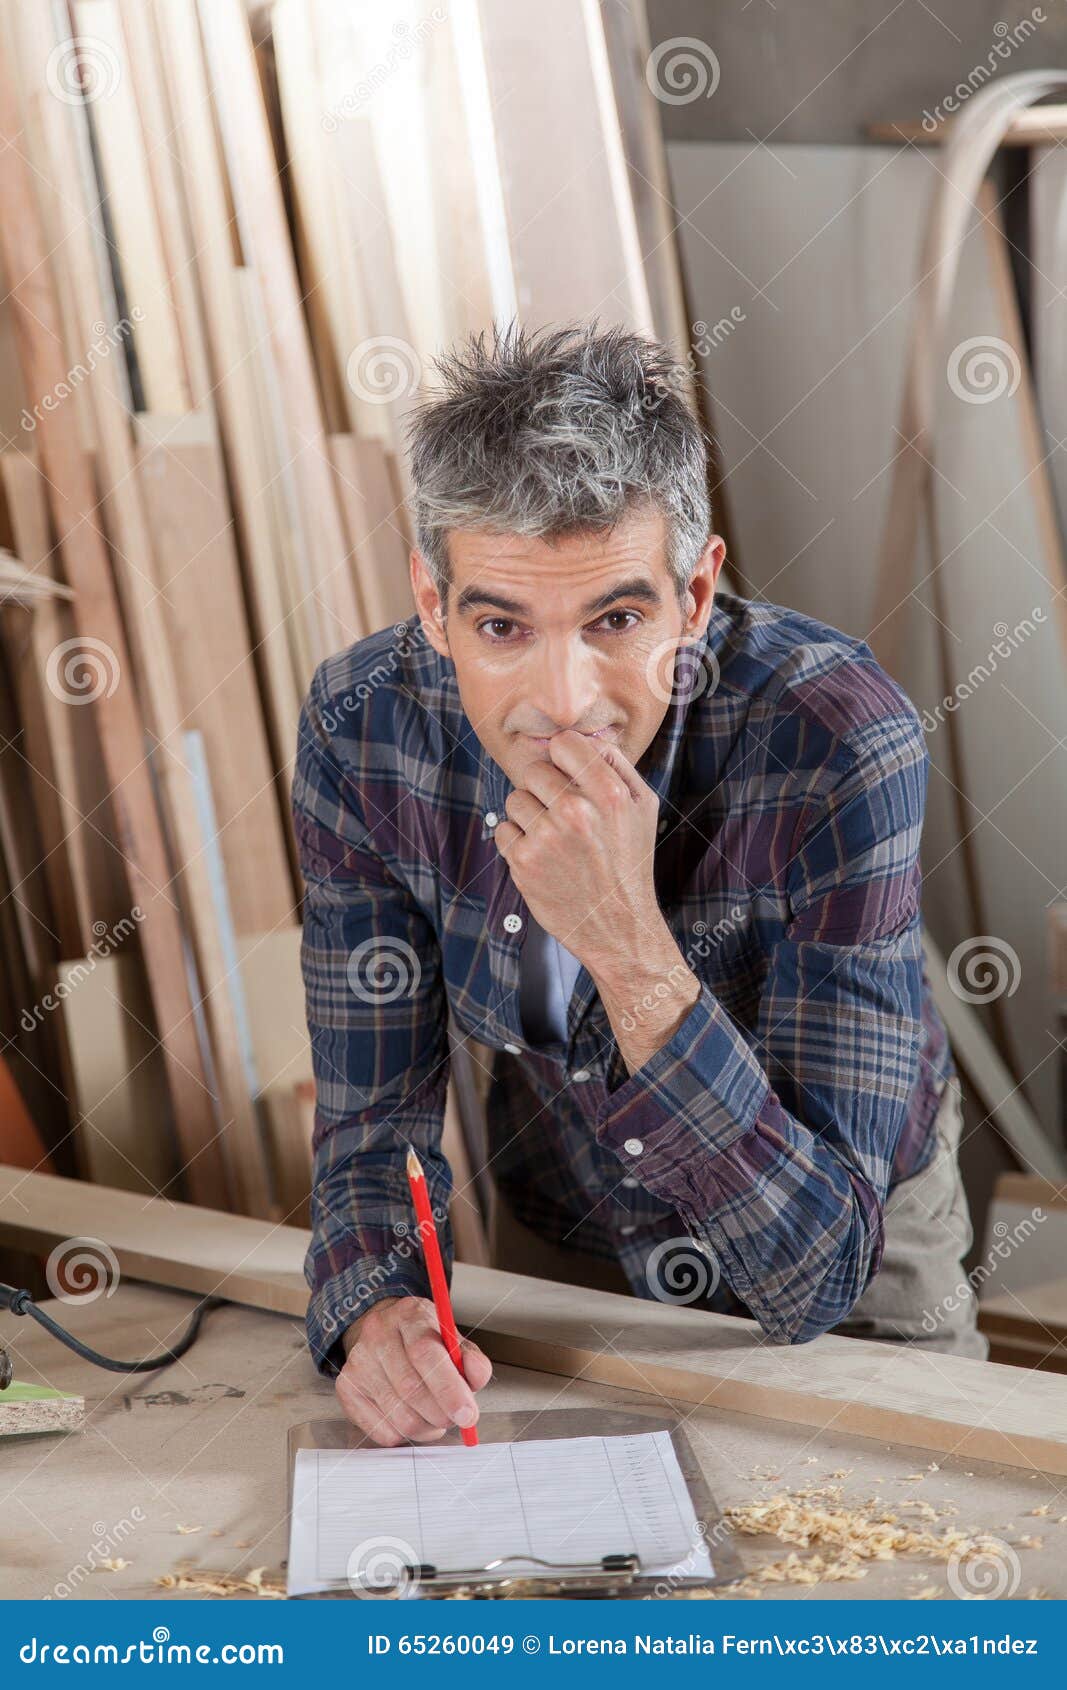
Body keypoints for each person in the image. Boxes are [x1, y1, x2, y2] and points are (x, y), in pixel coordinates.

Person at [291, 321, 985, 1450]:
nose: (564, 701)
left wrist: (622, 943)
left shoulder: (838, 740)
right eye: (500, 626)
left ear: (694, 594)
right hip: (570, 1205)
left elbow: (815, 1276)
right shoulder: (361, 728)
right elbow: (373, 1130)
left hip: (841, 1226)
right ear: (429, 603)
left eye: (615, 620)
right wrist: (377, 1306)